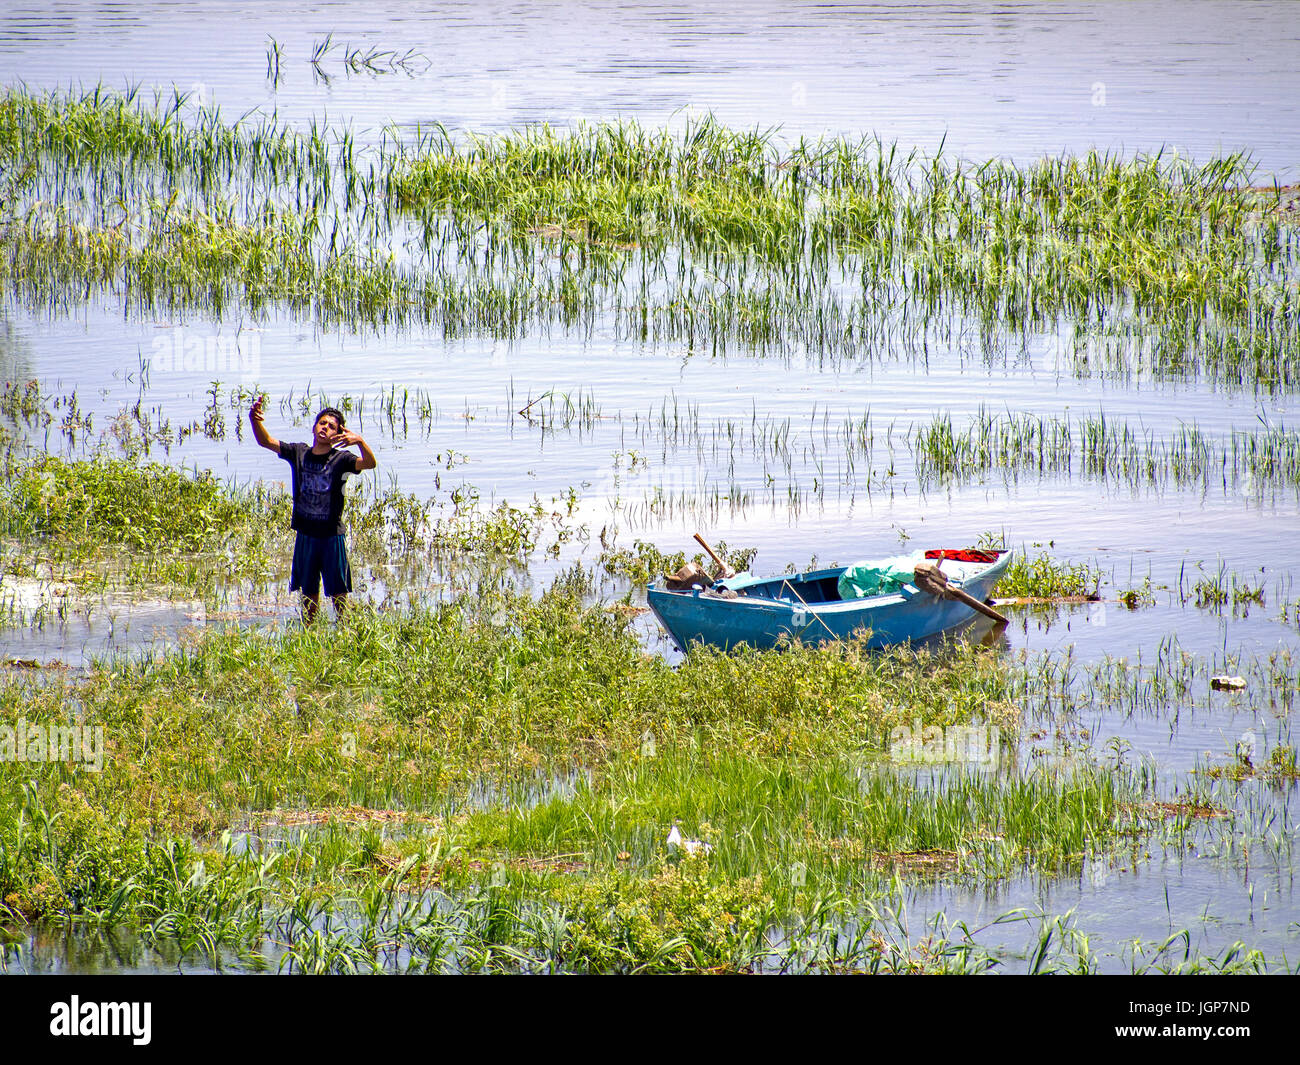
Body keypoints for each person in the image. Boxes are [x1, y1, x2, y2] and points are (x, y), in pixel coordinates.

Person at [249, 397, 377, 621]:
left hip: (331, 536)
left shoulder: (342, 459)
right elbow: (265, 441)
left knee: (338, 591)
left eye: (331, 426)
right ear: (314, 426)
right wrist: (254, 420)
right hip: (306, 535)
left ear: (338, 434)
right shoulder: (299, 452)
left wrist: (359, 441)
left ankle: (344, 628)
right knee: (309, 591)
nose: (325, 428)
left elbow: (369, 463)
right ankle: (310, 633)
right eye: (322, 423)